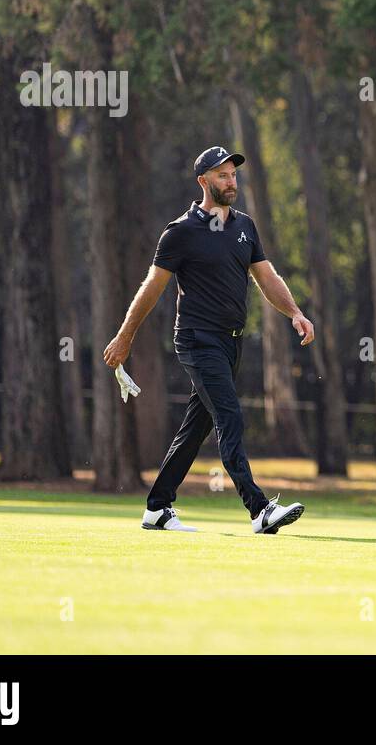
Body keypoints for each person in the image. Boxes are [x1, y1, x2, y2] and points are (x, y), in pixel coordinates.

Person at [103, 145, 315, 535]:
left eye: (233, 174)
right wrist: (124, 336)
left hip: (231, 343)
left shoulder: (244, 227)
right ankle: (259, 509)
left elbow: (267, 277)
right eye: (222, 175)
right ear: (203, 181)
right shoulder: (180, 232)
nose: (230, 181)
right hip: (197, 341)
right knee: (229, 416)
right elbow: (152, 288)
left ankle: (157, 508)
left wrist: (295, 313)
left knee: (196, 428)